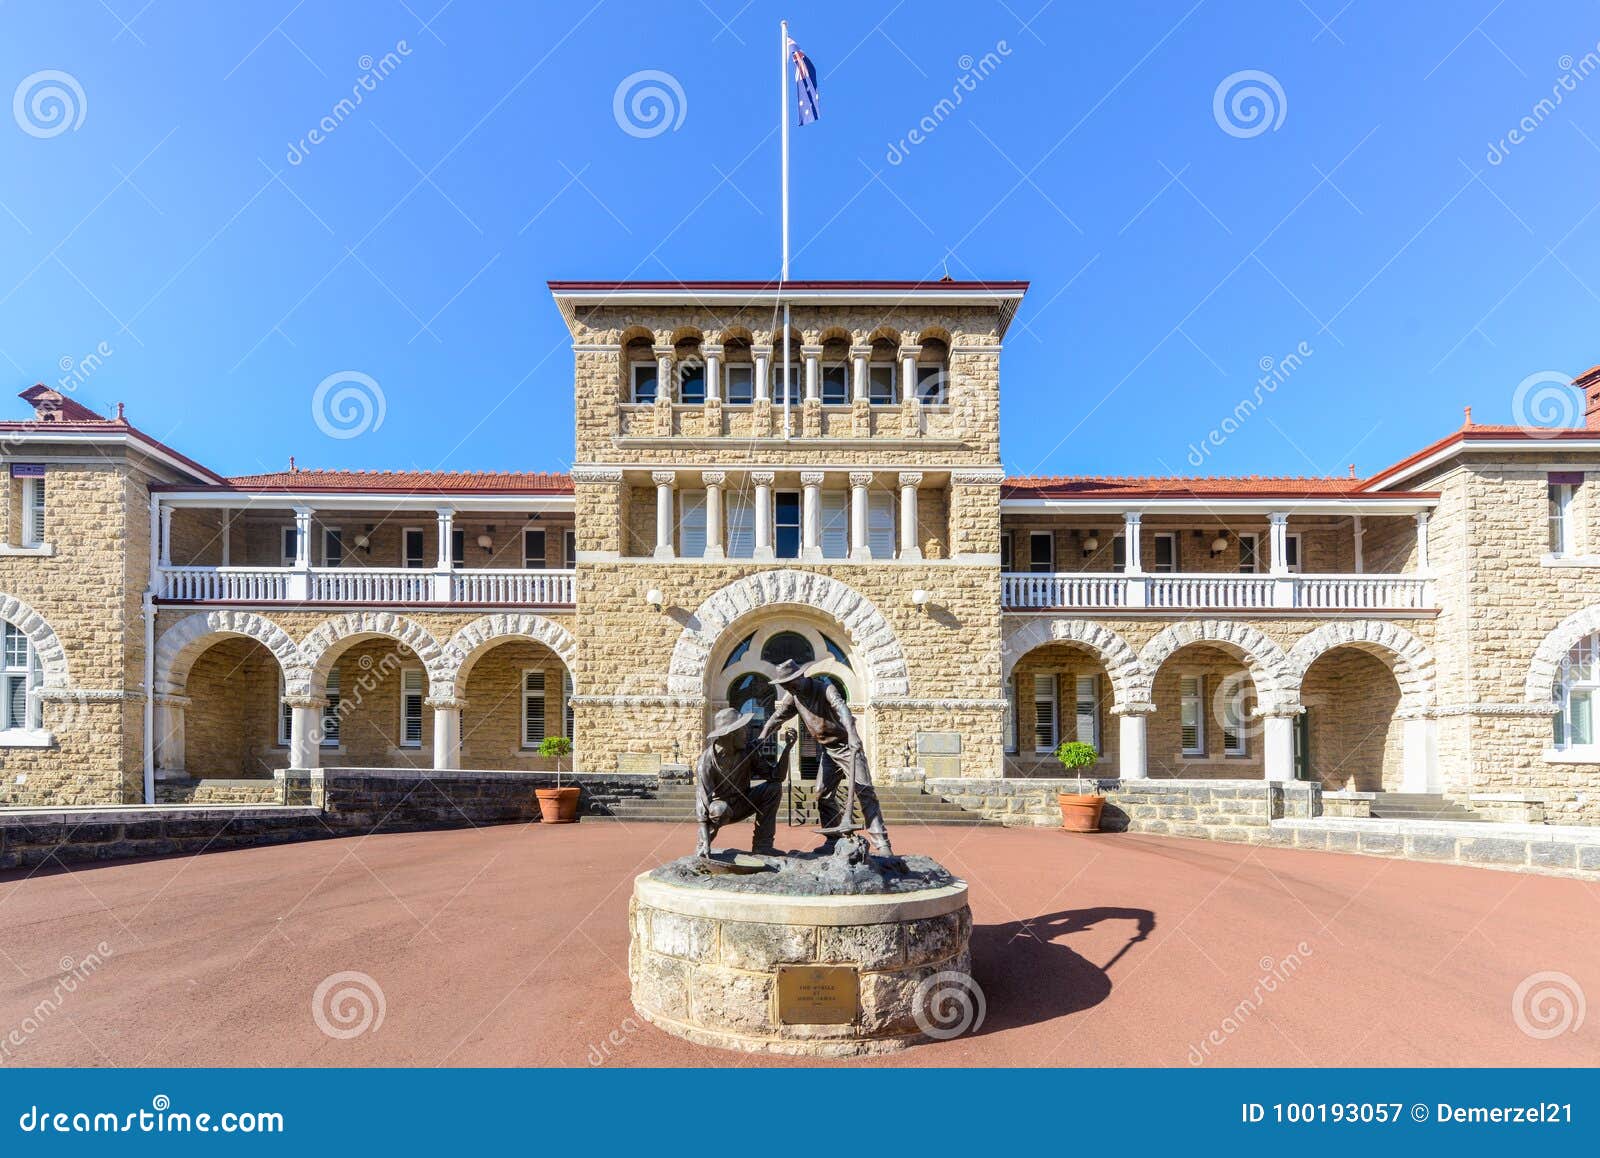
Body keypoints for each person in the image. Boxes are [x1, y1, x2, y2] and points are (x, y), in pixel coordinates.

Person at [755, 659, 894, 856]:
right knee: (822, 792)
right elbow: (776, 718)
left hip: (847, 747)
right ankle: (833, 841)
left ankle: (882, 844)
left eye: (787, 683)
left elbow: (842, 709)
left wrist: (853, 734)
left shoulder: (825, 688)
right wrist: (762, 736)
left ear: (799, 677)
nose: (786, 687)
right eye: (783, 685)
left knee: (865, 791)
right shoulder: (793, 696)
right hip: (827, 752)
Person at [695, 707, 793, 859]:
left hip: (744, 802)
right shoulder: (706, 762)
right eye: (743, 730)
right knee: (719, 809)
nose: (746, 734)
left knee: (773, 788)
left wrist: (787, 749)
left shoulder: (747, 752)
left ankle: (763, 846)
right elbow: (702, 805)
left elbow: (776, 777)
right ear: (732, 735)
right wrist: (705, 842)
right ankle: (703, 848)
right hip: (722, 810)